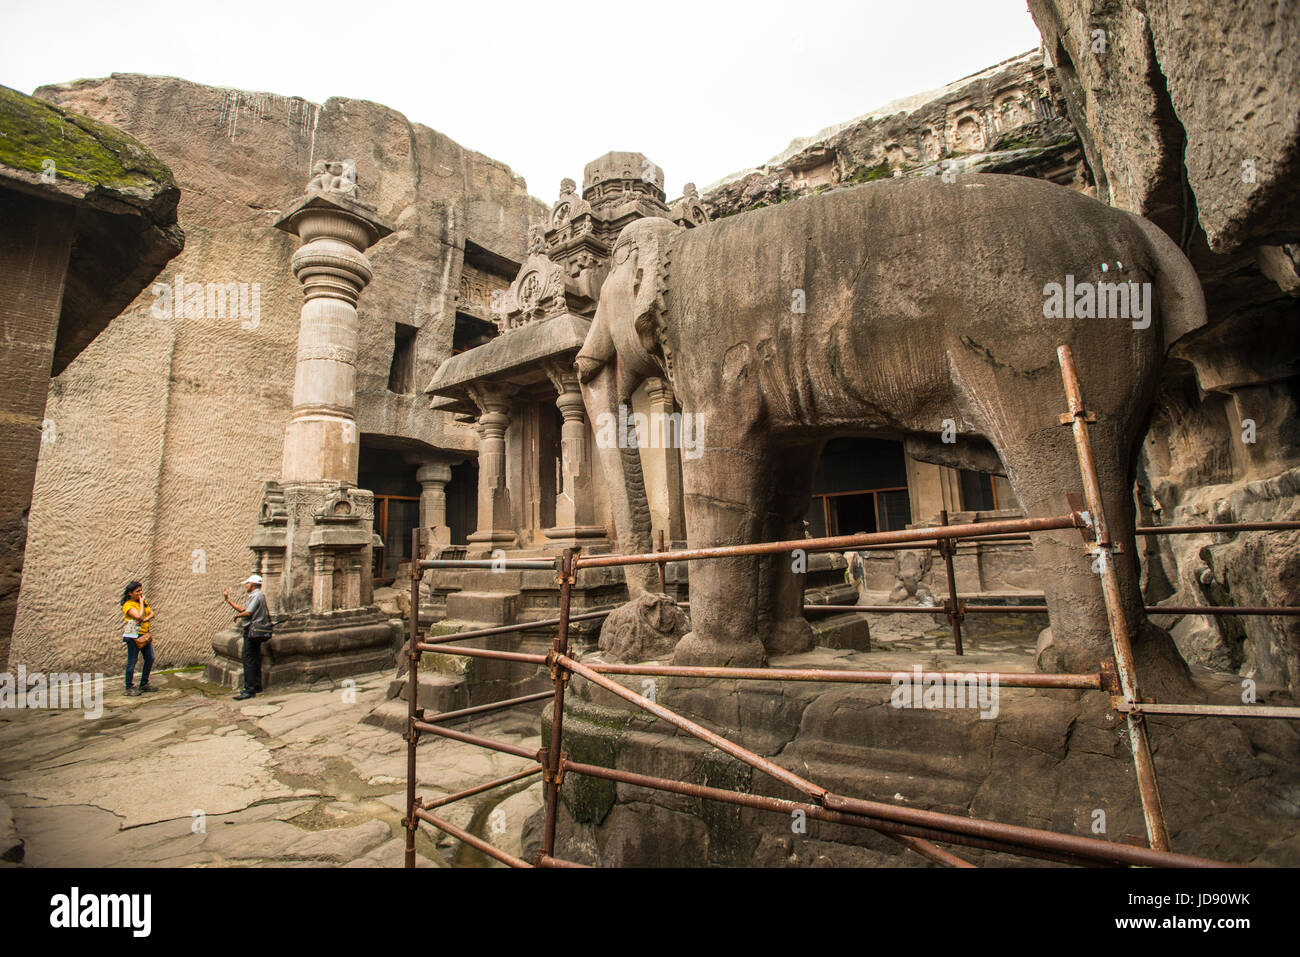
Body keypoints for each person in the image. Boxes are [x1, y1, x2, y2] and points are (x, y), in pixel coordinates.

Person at [224, 574, 272, 700]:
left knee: (249, 659)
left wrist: (237, 617)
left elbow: (248, 612)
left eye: (247, 583)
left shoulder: (257, 595)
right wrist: (228, 600)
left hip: (251, 631)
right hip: (254, 631)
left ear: (252, 584)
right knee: (254, 658)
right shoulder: (255, 596)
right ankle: (256, 686)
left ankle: (249, 689)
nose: (246, 585)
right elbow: (243, 609)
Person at [120, 581, 155, 696]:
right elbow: (139, 616)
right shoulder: (128, 605)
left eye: (141, 590)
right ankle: (129, 687)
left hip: (144, 634)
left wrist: (145, 619)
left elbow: (151, 614)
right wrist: (140, 603)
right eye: (137, 591)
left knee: (150, 657)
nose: (140, 593)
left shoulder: (143, 602)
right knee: (132, 661)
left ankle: (144, 683)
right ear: (130, 593)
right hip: (133, 634)